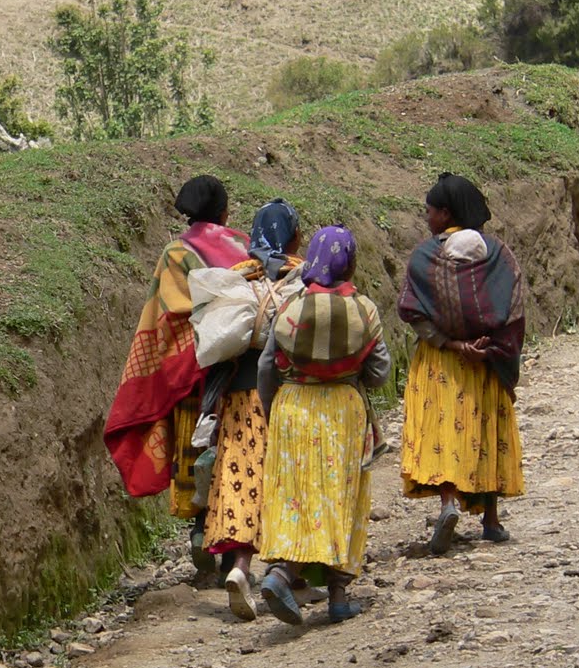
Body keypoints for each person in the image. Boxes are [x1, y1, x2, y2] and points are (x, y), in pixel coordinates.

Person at [104, 175, 249, 575]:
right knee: (235, 449)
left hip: (193, 373)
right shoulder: (242, 246)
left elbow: (165, 314)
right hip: (238, 371)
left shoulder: (175, 253)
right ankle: (234, 542)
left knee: (195, 449)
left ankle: (201, 532)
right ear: (223, 211)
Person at [255, 225, 391, 625]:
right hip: (343, 412)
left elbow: (266, 366)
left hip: (292, 406)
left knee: (296, 495)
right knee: (339, 495)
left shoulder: (289, 307)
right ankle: (337, 595)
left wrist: (271, 408)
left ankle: (283, 571)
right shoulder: (363, 310)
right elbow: (381, 372)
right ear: (348, 262)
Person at [397, 173, 526, 552]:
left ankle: (449, 503)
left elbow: (414, 314)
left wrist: (452, 342)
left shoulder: (425, 256)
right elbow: (514, 307)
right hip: (486, 361)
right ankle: (491, 519)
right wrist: (496, 347)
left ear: (445, 213)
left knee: (443, 434)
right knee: (487, 431)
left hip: (442, 360)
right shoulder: (499, 254)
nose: (426, 218)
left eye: (430, 211)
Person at [201, 198, 303, 622]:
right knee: (287, 479)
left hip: (241, 400)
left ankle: (241, 569)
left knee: (242, 480)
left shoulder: (237, 279)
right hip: (287, 399)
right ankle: (288, 571)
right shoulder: (300, 276)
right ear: (293, 235)